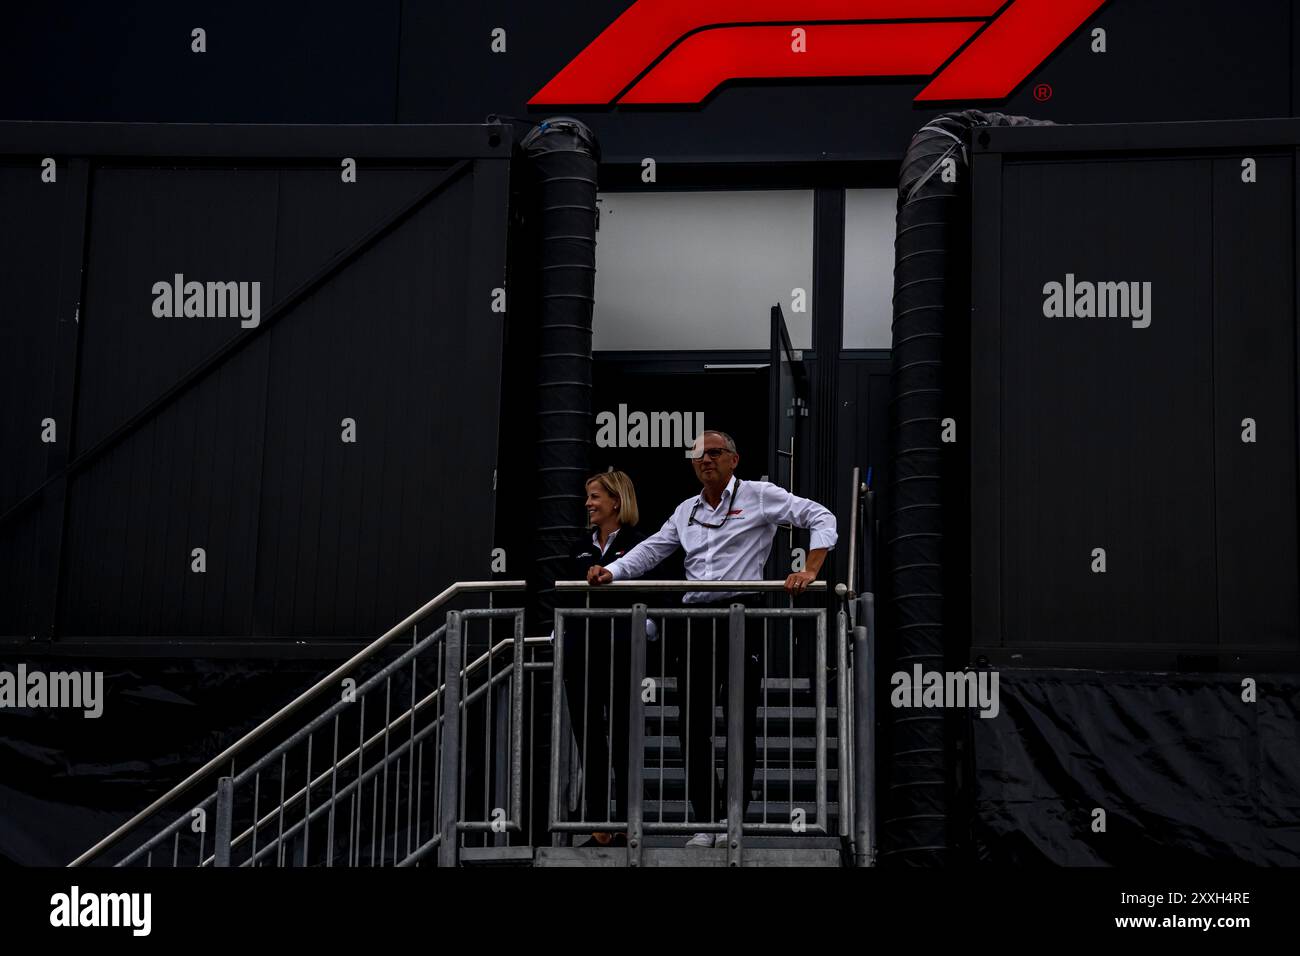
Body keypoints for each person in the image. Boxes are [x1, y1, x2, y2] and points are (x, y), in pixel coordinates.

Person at [586, 430, 837, 848]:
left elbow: (821, 516)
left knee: (740, 721)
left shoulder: (758, 494)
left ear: (733, 460)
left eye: (715, 453)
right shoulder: (686, 510)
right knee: (692, 721)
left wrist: (809, 570)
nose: (706, 460)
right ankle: (707, 820)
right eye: (699, 455)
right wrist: (612, 571)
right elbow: (651, 549)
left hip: (742, 613)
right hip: (696, 619)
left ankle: (734, 818)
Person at [559, 470, 647, 848]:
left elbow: (652, 595)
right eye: (588, 497)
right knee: (590, 739)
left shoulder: (641, 544)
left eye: (595, 497)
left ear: (616, 501)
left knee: (626, 738)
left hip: (623, 654)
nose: (588, 504)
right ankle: (598, 825)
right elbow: (563, 597)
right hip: (581, 653)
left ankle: (629, 824)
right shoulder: (579, 546)